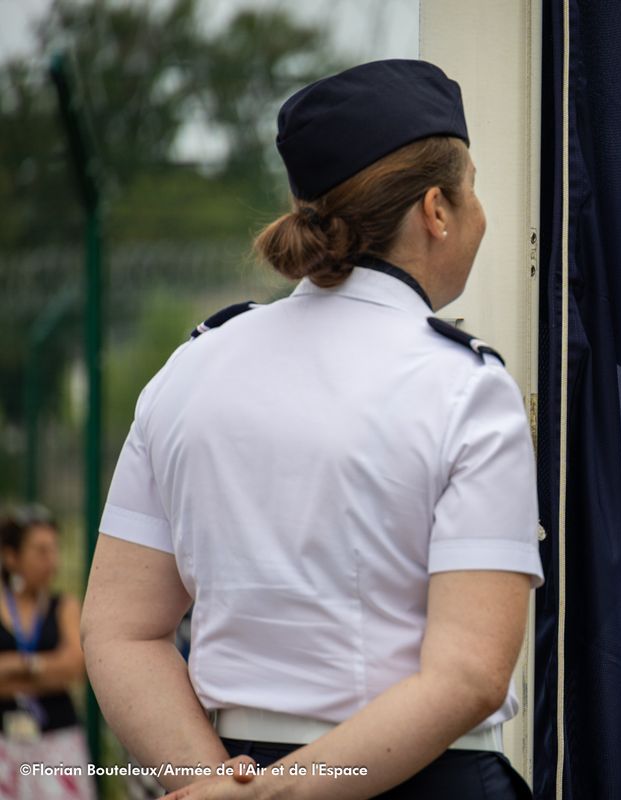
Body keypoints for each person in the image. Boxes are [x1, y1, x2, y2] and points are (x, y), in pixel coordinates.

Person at [80, 59, 543, 800]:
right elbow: (469, 675)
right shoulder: (465, 387)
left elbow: (120, 631)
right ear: (436, 209)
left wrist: (219, 785)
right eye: (472, 187)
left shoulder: (192, 370)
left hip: (225, 770)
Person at [0, 506, 95, 800]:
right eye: (41, 551)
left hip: (59, 743)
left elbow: (75, 667)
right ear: (11, 556)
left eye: (54, 549)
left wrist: (16, 666)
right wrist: (48, 669)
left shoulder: (64, 606)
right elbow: (61, 667)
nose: (52, 561)